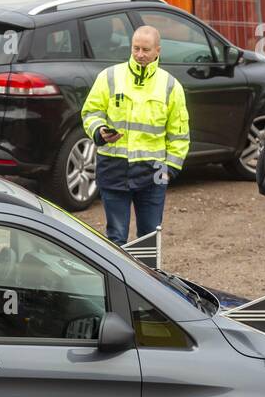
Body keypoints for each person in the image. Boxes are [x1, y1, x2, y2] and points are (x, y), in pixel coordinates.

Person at [80, 25, 190, 245]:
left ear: (158, 50)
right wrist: (100, 131)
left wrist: (169, 171)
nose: (140, 54)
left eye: (146, 50)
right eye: (136, 48)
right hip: (113, 167)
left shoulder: (170, 86)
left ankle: (149, 279)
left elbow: (179, 134)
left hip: (153, 172)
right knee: (116, 238)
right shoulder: (109, 77)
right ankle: (118, 280)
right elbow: (91, 112)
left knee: (149, 239)